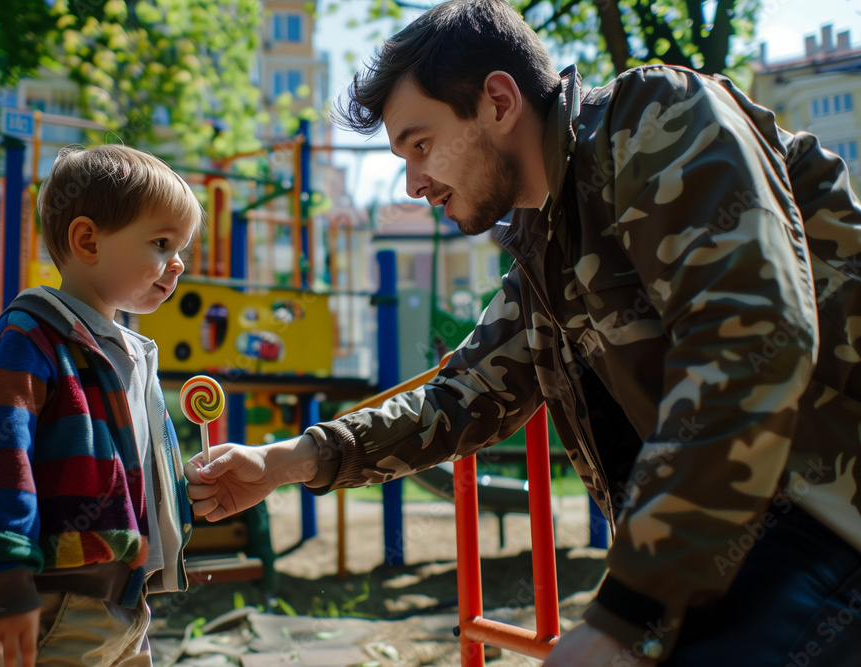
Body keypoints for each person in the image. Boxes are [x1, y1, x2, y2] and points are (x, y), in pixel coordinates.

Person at [186, 0, 861, 664]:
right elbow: (462, 395)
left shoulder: (656, 119)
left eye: (421, 146)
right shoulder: (547, 248)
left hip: (828, 511)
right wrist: (286, 461)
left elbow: (748, 347)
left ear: (499, 102)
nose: (414, 183)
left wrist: (623, 614)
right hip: (741, 539)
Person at [0, 144, 200, 667]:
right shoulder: (27, 341)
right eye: (161, 243)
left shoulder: (128, 352)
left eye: (181, 247)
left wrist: (183, 485)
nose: (178, 262)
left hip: (127, 599)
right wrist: (3, 579)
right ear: (88, 240)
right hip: (58, 600)